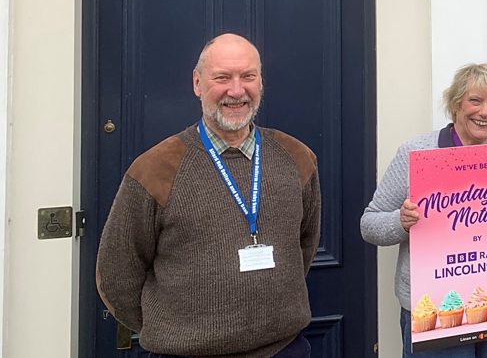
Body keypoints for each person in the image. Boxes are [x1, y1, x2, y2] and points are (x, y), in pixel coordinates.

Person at [96, 33, 321, 358]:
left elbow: (304, 245)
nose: (236, 90)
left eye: (248, 76)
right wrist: (176, 330)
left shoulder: (297, 158)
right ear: (197, 83)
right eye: (222, 78)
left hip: (285, 350)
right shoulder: (154, 169)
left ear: (261, 82)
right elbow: (118, 272)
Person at [360, 63, 487, 358]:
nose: (485, 112)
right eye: (475, 100)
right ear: (455, 104)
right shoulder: (417, 153)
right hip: (434, 313)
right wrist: (401, 221)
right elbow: (369, 224)